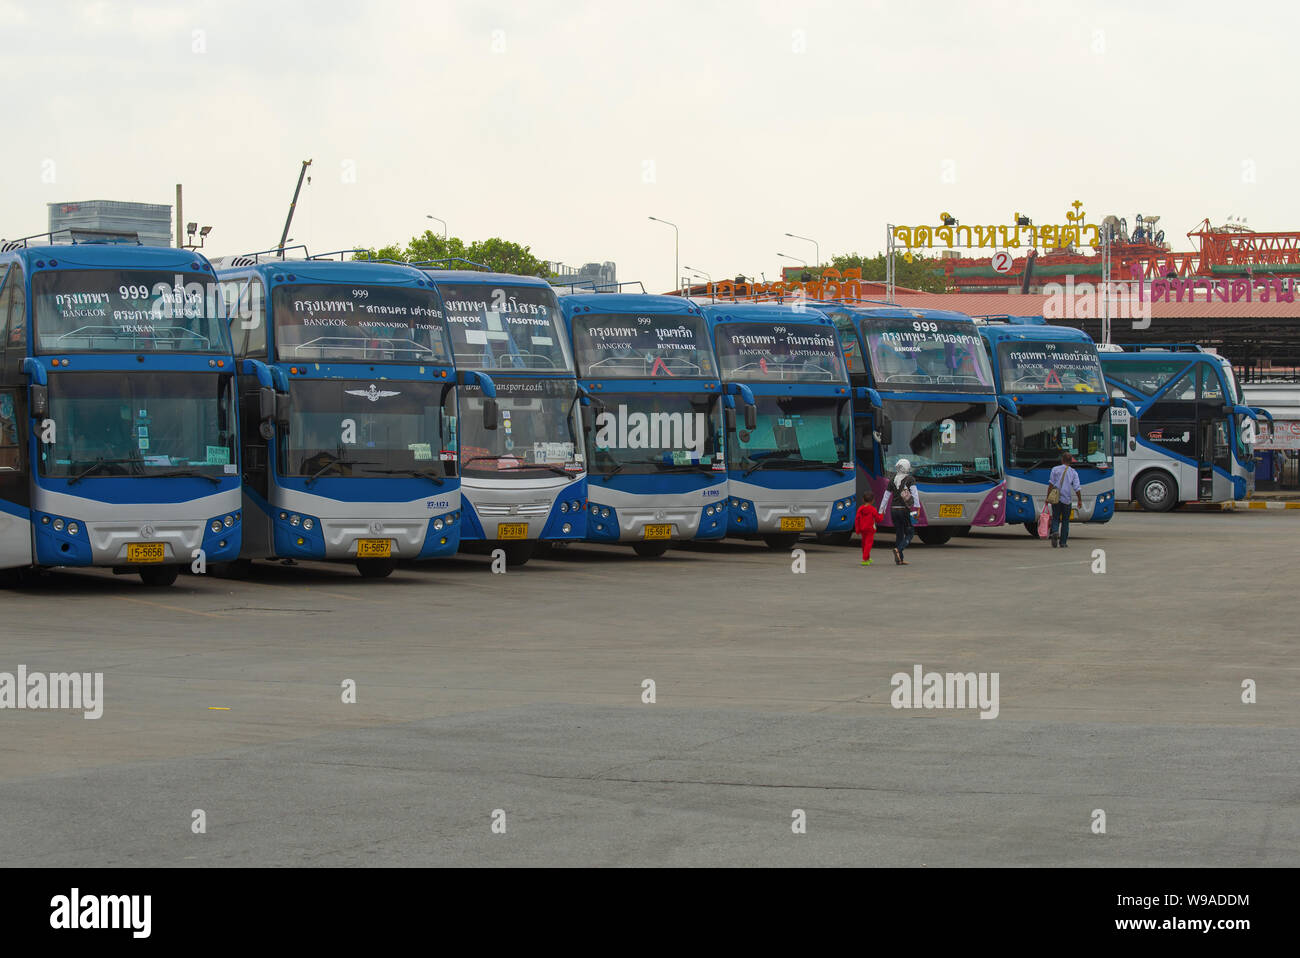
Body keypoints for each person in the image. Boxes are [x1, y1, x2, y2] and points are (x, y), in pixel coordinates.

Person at [1047, 452, 1082, 548]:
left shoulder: (1055, 469)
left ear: (1062, 460)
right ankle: (1063, 542)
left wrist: (1048, 497)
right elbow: (1077, 488)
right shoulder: (1073, 472)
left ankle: (1054, 531)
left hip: (1056, 498)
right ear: (1071, 461)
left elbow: (1051, 484)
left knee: (1055, 517)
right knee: (1065, 521)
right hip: (1067, 500)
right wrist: (1079, 500)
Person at [889, 458, 920, 565]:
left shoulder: (893, 479)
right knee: (910, 532)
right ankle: (899, 549)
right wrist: (917, 507)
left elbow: (886, 496)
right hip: (904, 510)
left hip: (893, 510)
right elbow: (915, 494)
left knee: (899, 533)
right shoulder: (910, 479)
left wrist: (881, 510)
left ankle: (900, 559)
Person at [854, 492, 882, 566]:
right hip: (870, 529)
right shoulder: (872, 509)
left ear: (863, 500)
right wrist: (882, 514)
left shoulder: (860, 509)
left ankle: (867, 558)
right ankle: (865, 559)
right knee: (868, 544)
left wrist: (857, 529)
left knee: (864, 544)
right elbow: (878, 519)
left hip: (862, 529)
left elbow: (857, 519)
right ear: (872, 501)